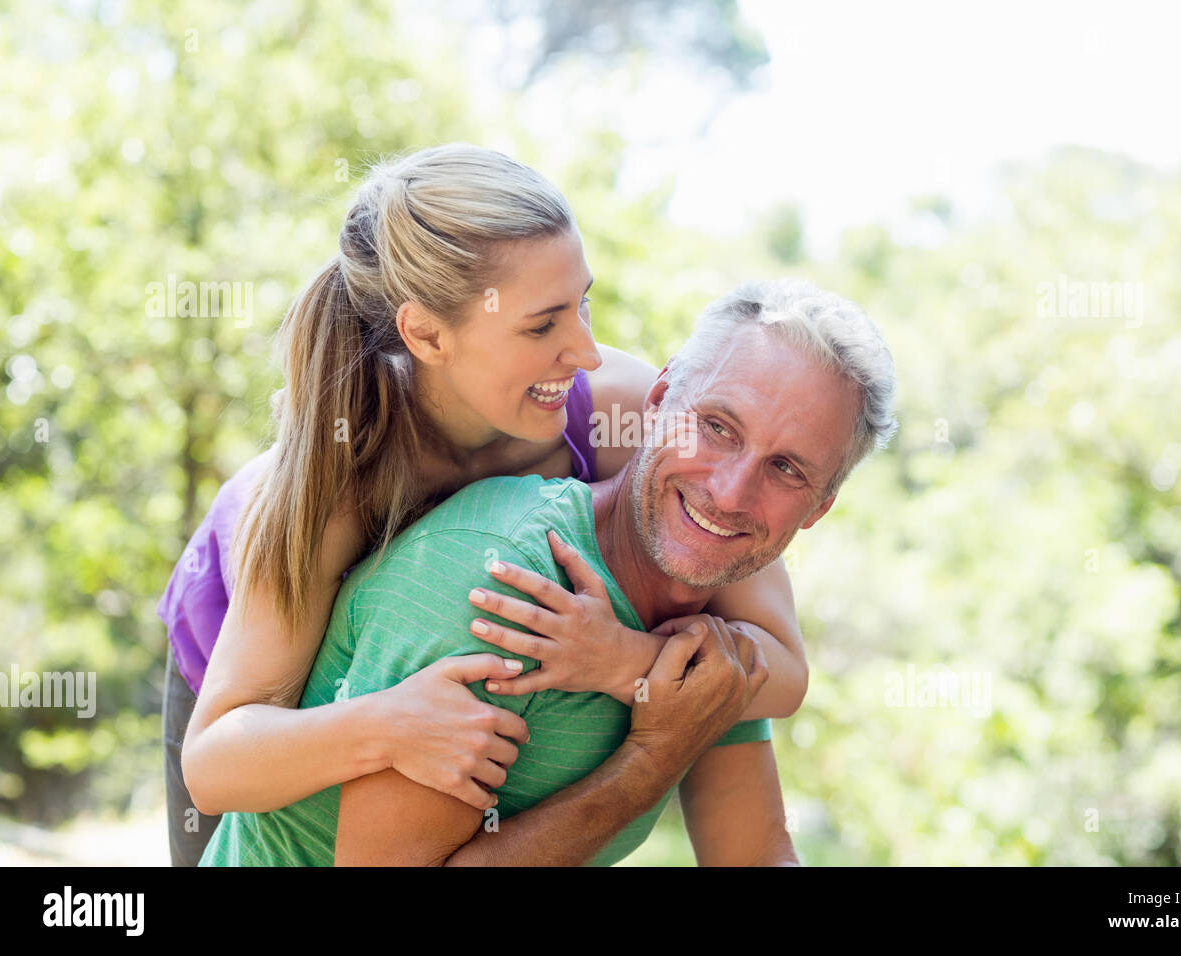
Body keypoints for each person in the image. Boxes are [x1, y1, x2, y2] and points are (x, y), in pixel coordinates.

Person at [160, 144, 811, 865]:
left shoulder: (619, 413)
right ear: (427, 334)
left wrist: (623, 660)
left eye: (582, 304)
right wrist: (387, 723)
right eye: (543, 326)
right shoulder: (344, 478)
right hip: (250, 682)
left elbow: (780, 673)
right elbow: (215, 766)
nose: (588, 351)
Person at [200, 278, 898, 866]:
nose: (731, 492)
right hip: (234, 628)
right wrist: (650, 760)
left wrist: (642, 674)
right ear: (655, 405)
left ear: (819, 507)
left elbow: (754, 854)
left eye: (786, 468)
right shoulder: (502, 587)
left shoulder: (706, 635)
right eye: (716, 426)